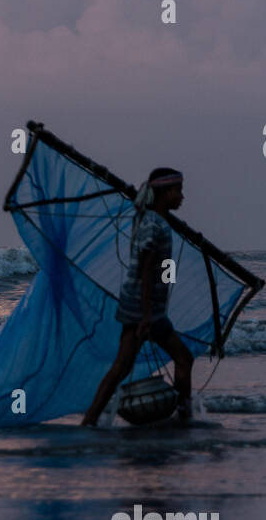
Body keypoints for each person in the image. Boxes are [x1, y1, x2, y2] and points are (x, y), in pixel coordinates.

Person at [81, 168, 193, 426]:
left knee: (122, 367)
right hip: (144, 309)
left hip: (141, 305)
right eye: (178, 190)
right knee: (183, 358)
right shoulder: (153, 224)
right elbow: (146, 269)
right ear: (164, 194)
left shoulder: (152, 220)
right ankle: (184, 418)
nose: (182, 197)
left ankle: (90, 419)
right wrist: (145, 316)